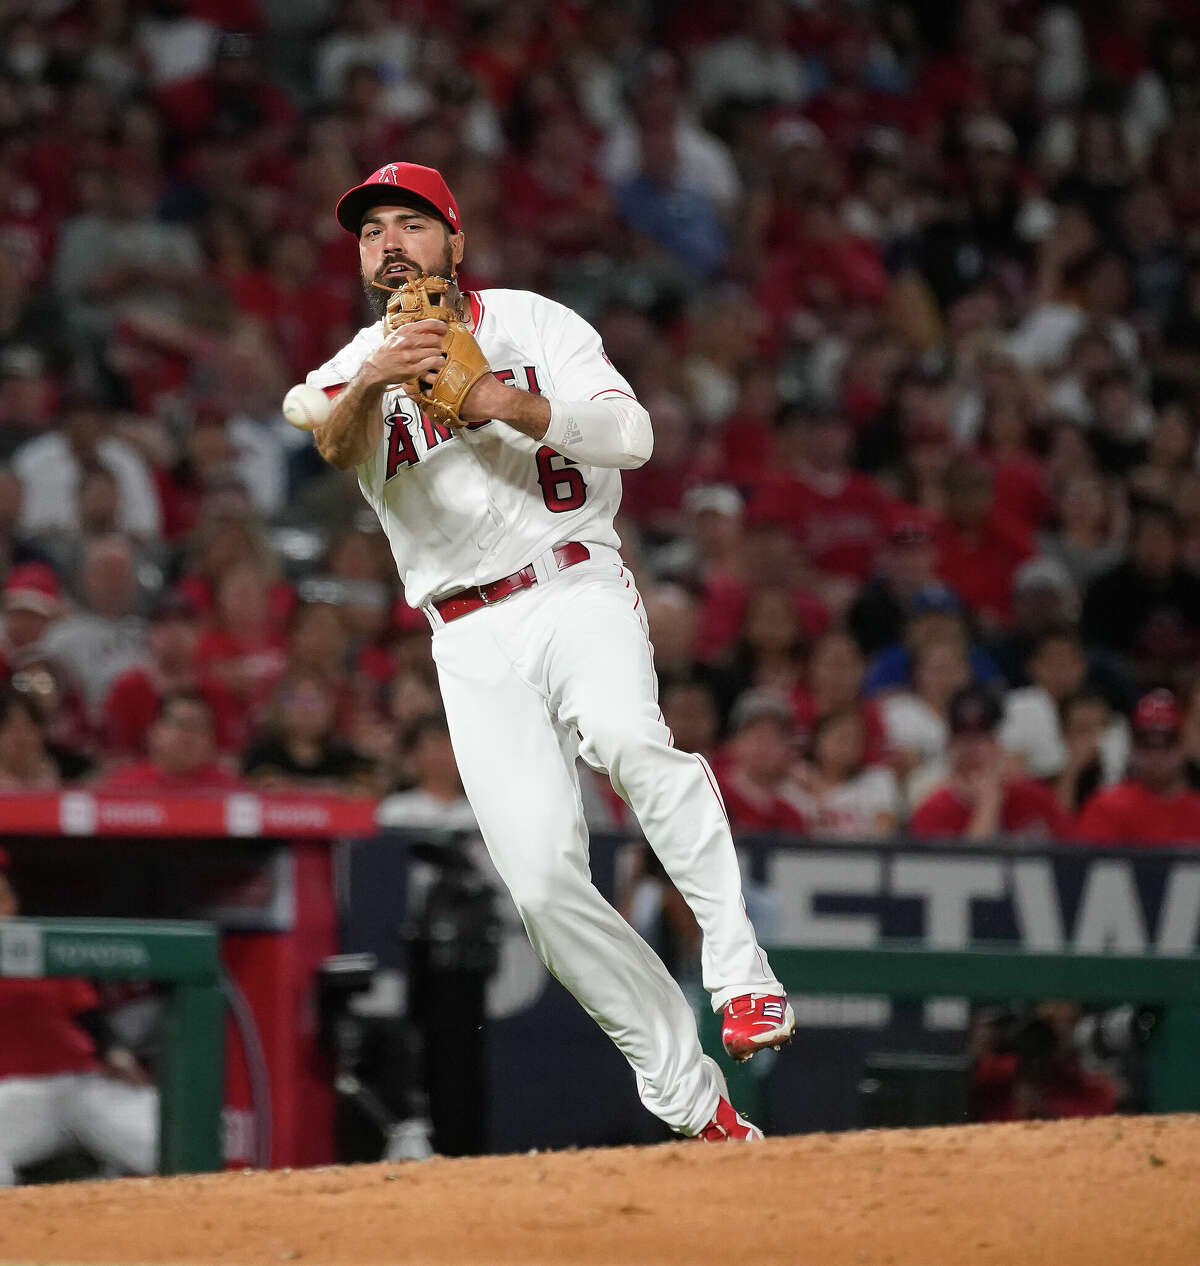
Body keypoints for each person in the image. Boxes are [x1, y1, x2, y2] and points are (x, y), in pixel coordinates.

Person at [305, 162, 789, 1142]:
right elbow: (320, 431)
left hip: (571, 583)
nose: (391, 244)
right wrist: (373, 384)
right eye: (372, 233)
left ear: (456, 241)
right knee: (538, 887)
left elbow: (634, 434)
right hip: (466, 635)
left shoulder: (537, 323)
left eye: (412, 225)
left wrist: (498, 400)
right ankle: (696, 1108)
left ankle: (741, 977)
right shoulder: (351, 371)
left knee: (628, 739)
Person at [0, 853, 158, 1185]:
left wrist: (115, 1053)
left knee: (155, 1136)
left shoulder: (41, 943)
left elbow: (89, 1015)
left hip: (78, 1083)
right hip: (10, 1097)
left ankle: (200, 1226)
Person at [910, 685, 1073, 843]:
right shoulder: (934, 811)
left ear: (998, 744)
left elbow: (1074, 853)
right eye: (964, 740)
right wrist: (988, 803)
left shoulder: (1034, 797)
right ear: (949, 746)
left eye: (983, 738)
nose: (973, 749)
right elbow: (969, 869)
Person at [1076, 690, 1200, 845]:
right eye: (1145, 743)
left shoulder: (1197, 810)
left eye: (1167, 742)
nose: (1156, 754)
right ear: (1132, 747)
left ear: (1184, 745)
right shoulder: (1105, 807)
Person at [100, 692, 240, 792]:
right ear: (154, 732)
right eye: (183, 725)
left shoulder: (229, 789)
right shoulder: (122, 787)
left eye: (200, 728)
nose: (190, 736)